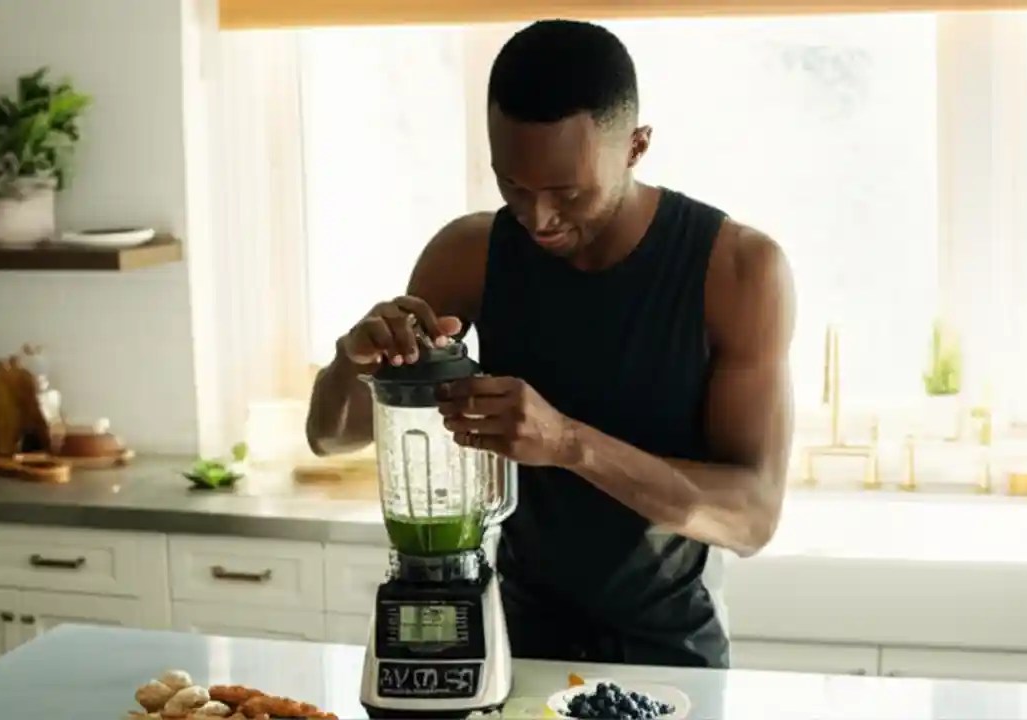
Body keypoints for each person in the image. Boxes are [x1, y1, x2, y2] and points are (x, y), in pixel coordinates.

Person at [306, 18, 795, 669]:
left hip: (672, 650)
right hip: (517, 643)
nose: (538, 219)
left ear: (636, 147)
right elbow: (329, 436)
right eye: (513, 185)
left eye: (567, 192)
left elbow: (752, 519)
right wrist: (354, 361)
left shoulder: (738, 270)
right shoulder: (468, 254)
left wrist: (567, 443)